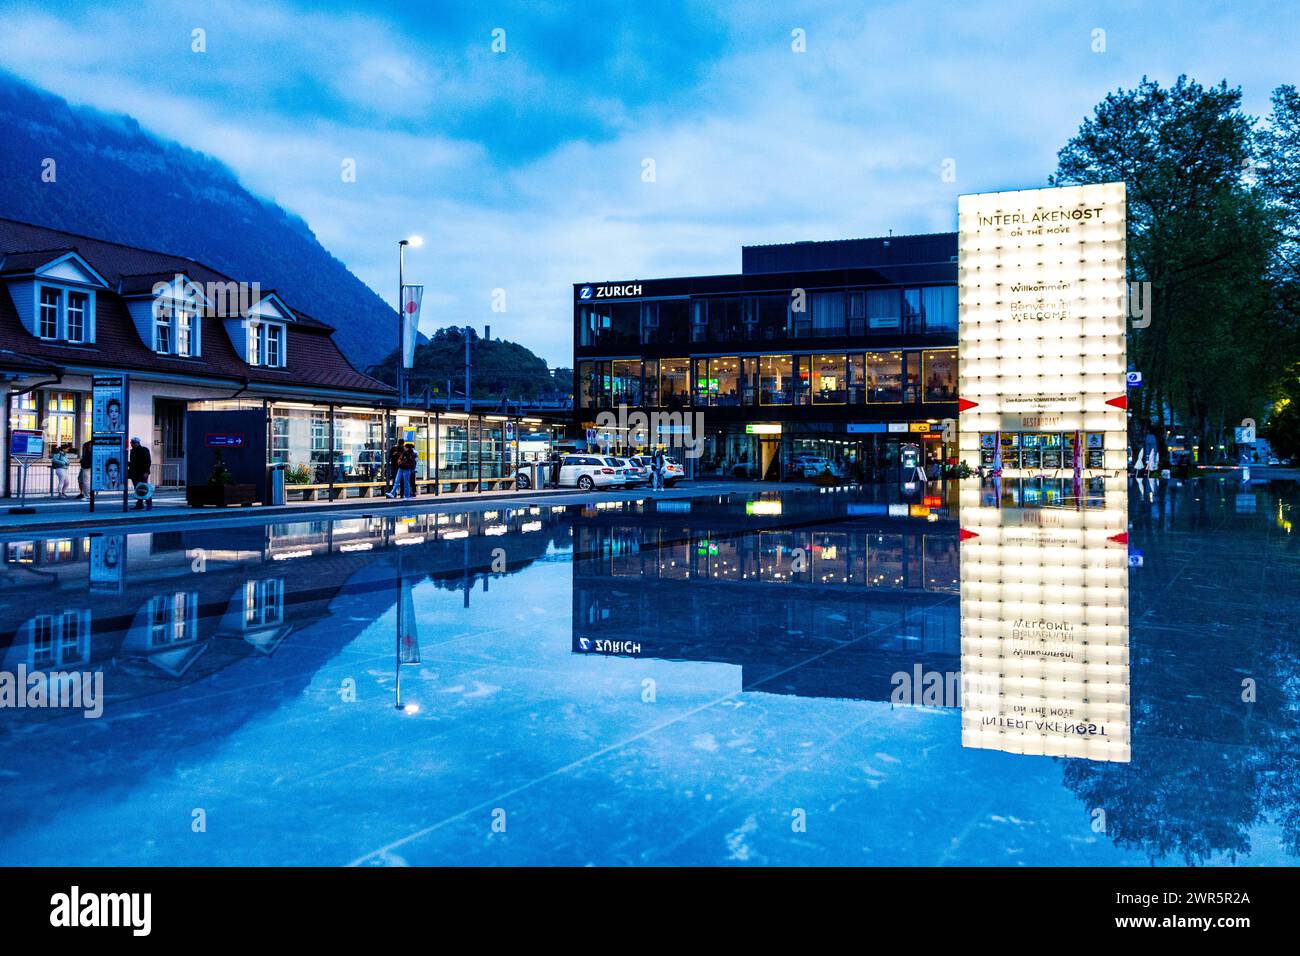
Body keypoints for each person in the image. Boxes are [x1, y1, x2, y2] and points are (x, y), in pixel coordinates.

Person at [127, 437, 152, 509]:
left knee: (144, 488)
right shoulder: (133, 451)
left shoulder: (144, 450)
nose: (132, 444)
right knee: (137, 488)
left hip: (142, 472)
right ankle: (140, 504)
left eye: (133, 443)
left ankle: (148, 503)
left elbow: (148, 461)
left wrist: (146, 472)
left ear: (137, 443)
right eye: (131, 443)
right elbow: (133, 463)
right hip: (135, 473)